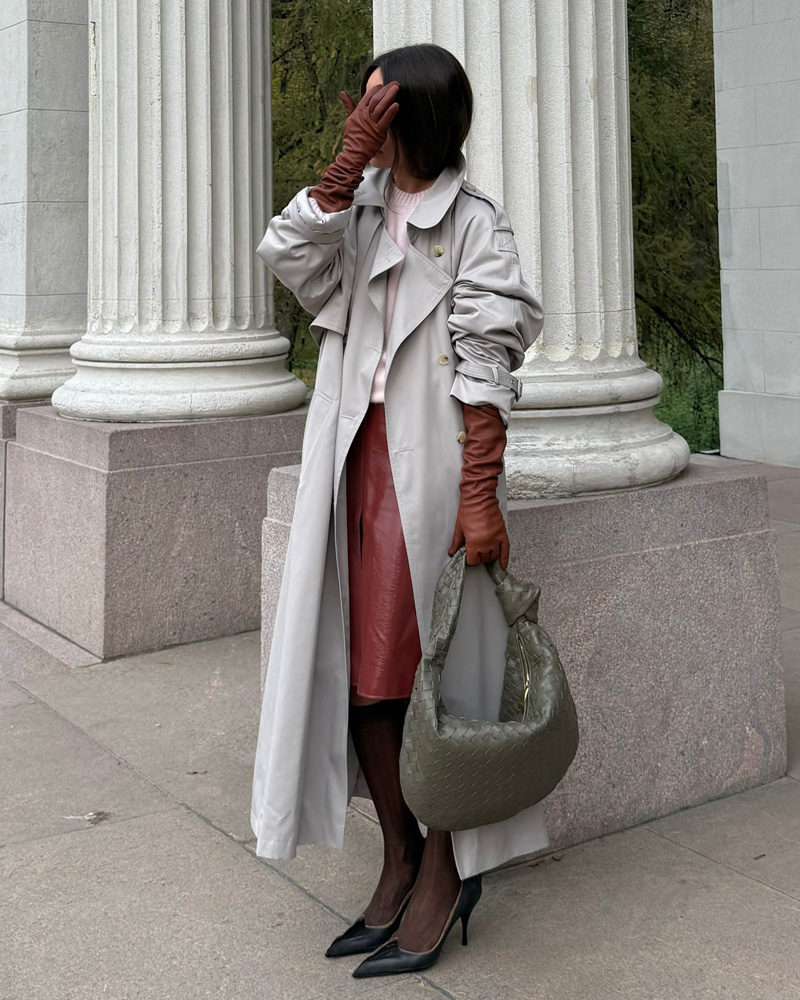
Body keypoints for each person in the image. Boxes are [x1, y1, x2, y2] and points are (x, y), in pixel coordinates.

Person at [251, 43, 547, 978]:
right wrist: (344, 169)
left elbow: (490, 359)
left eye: (373, 109)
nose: (358, 118)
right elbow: (286, 257)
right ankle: (401, 855)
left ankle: (447, 868)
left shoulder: (475, 223)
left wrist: (479, 494)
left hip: (432, 469)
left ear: (412, 116)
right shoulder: (359, 208)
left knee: (425, 680)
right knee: (355, 678)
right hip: (349, 461)